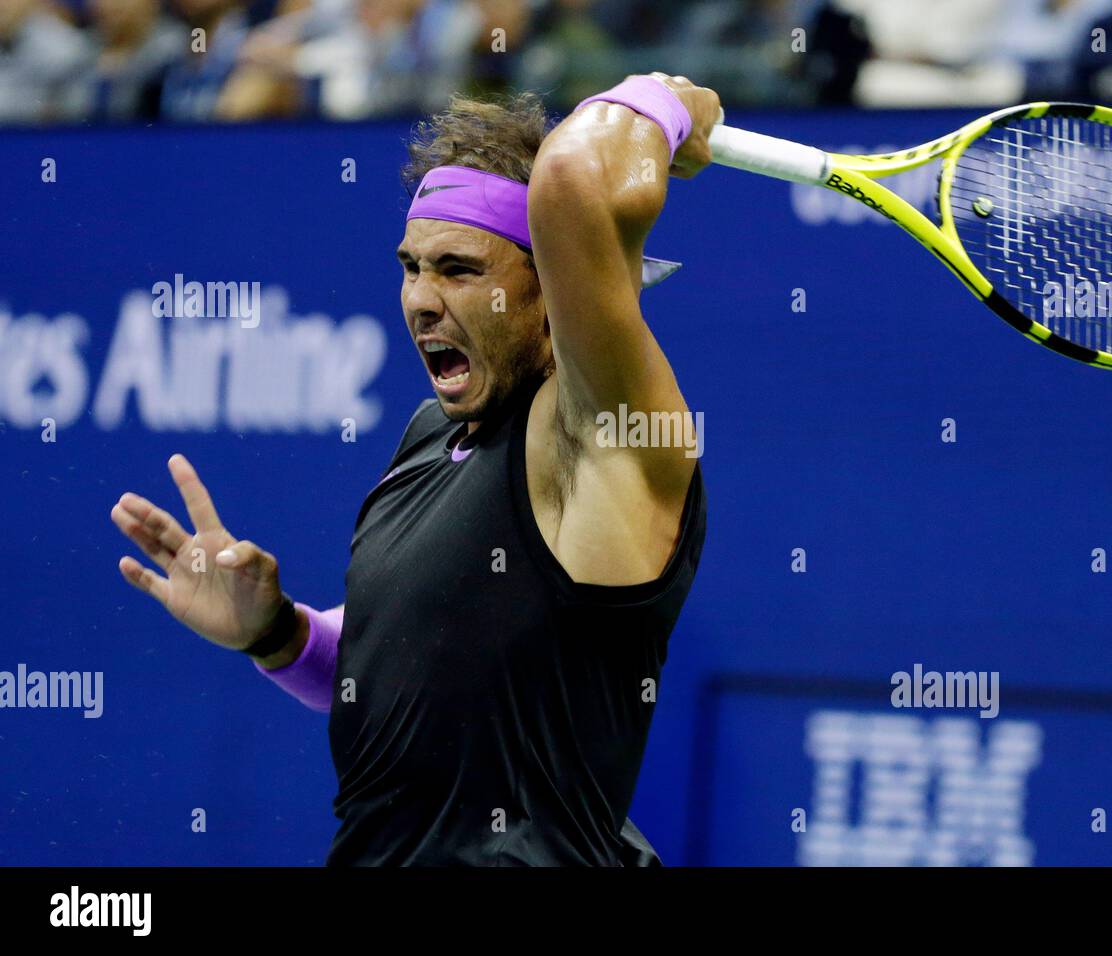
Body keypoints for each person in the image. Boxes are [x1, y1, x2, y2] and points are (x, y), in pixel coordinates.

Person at [110, 74, 719, 865]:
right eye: (412, 267)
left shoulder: (606, 436)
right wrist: (280, 635)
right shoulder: (433, 433)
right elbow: (416, 684)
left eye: (460, 269)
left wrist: (670, 100)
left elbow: (574, 179)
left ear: (549, 290)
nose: (421, 301)